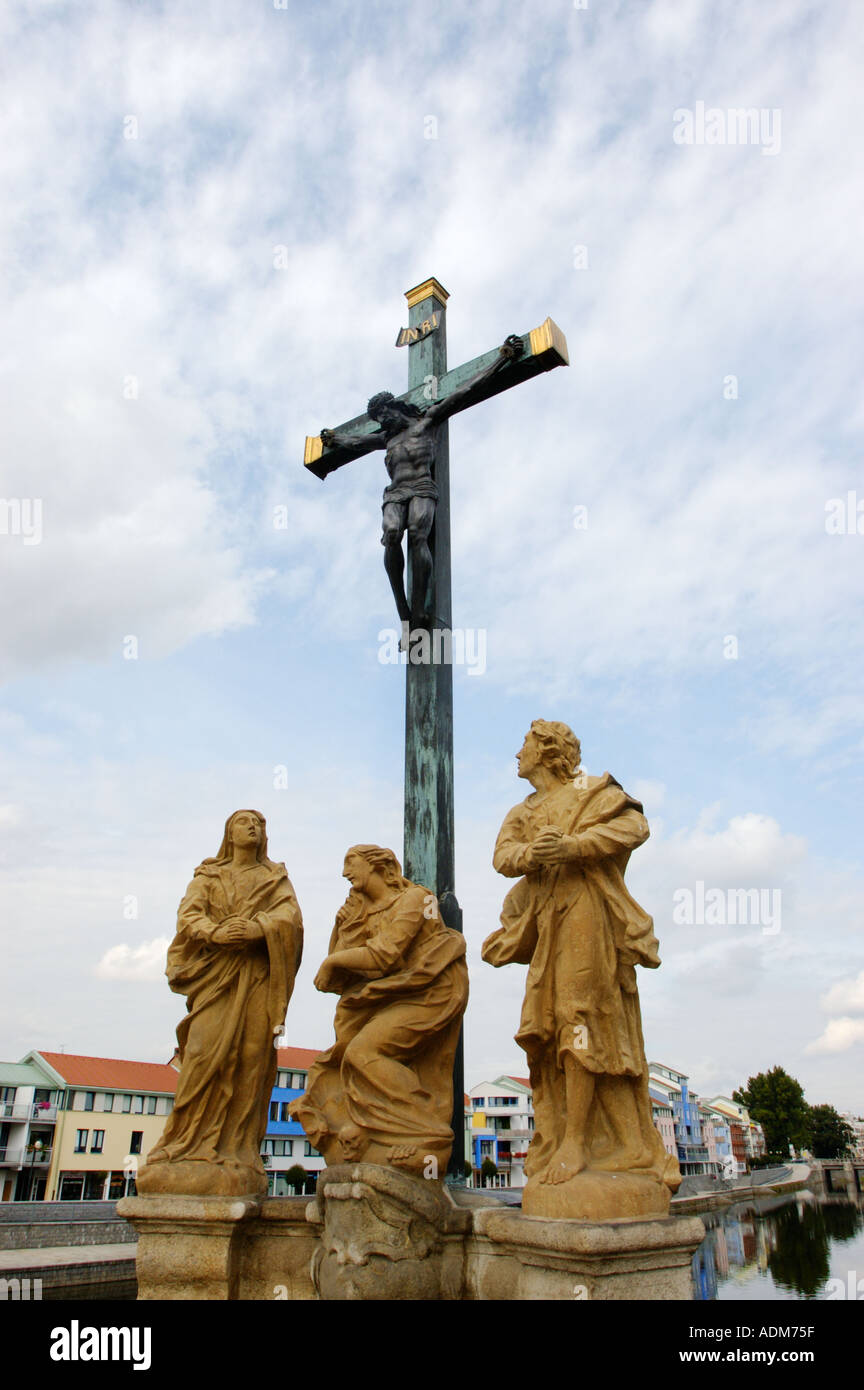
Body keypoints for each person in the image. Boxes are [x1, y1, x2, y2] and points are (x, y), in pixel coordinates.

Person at [482, 722, 680, 1198]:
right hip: (545, 919)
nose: (517, 752)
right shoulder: (520, 811)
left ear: (547, 751)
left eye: (525, 744)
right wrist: (534, 853)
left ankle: (577, 1143)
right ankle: (600, 1138)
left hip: (586, 909)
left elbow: (635, 826)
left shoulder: (592, 791)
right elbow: (502, 857)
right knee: (549, 1027)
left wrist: (573, 846)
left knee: (578, 1016)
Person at [138, 809, 303, 1196]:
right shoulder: (208, 876)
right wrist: (214, 933)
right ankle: (184, 1146)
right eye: (244, 822)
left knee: (251, 1058)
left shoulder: (274, 878)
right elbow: (187, 916)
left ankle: (237, 1152)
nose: (253, 827)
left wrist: (258, 928)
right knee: (200, 1053)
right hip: (216, 975)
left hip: (257, 977)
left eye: (259, 824)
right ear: (228, 833)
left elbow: (291, 921)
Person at [320, 335, 524, 630]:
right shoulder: (384, 439)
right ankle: (404, 610)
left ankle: (419, 607)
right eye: (378, 418)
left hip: (422, 487)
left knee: (417, 534)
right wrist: (333, 438)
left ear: (396, 407)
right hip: (395, 492)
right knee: (391, 534)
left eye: (384, 414)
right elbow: (354, 442)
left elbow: (468, 390)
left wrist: (503, 358)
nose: (383, 421)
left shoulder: (426, 422)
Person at [291, 845, 468, 1174]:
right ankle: (385, 1134)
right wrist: (341, 928)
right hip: (389, 993)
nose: (345, 873)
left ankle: (425, 1133)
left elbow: (386, 955)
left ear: (376, 865)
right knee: (353, 1056)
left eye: (351, 864)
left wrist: (333, 960)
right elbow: (338, 979)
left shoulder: (416, 899)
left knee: (364, 1053)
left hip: (432, 988)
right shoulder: (361, 910)